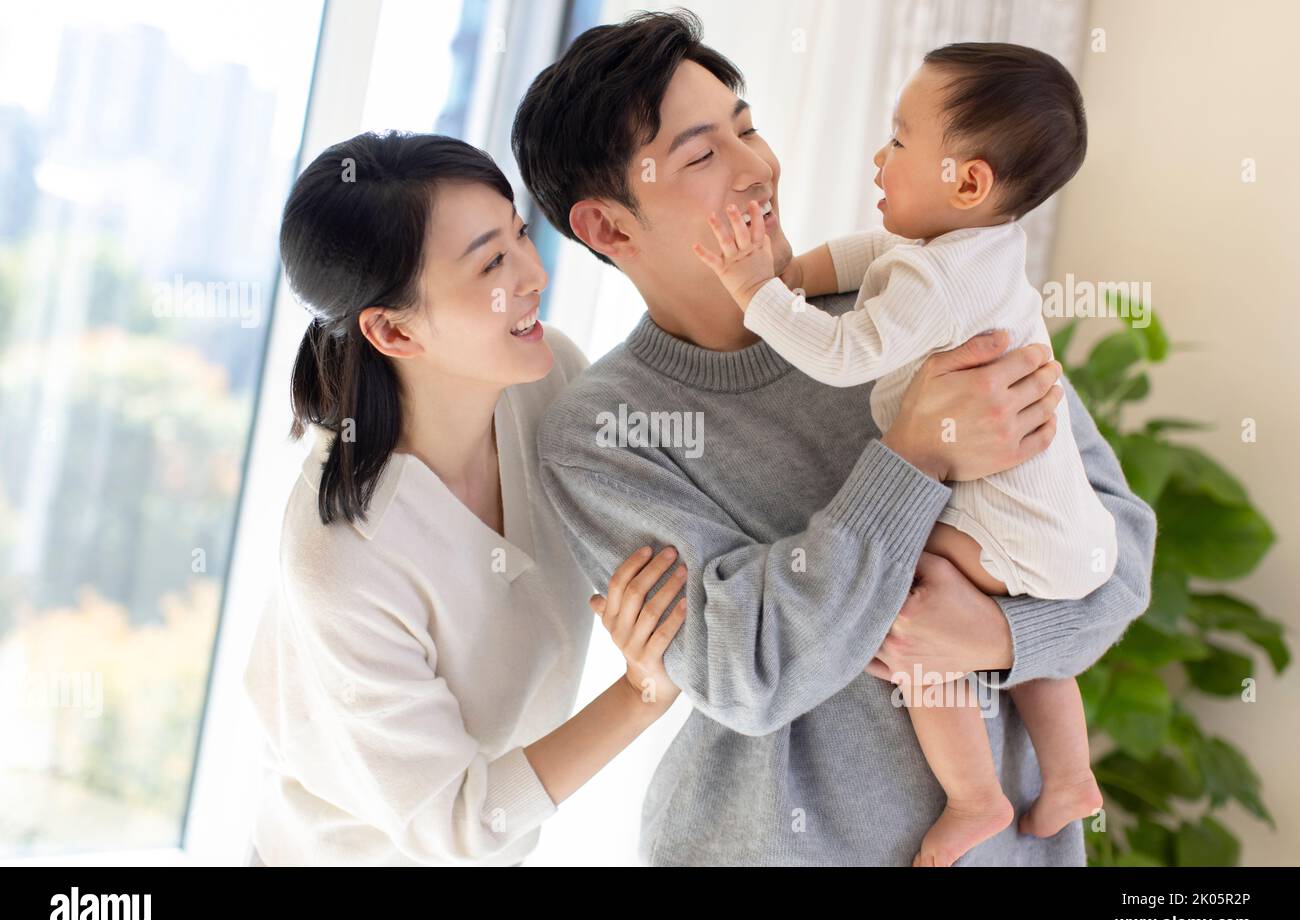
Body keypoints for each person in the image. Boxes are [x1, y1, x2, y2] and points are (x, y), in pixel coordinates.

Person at [511, 10, 1156, 865]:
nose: (758, 169)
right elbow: (748, 669)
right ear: (607, 227)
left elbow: (1117, 553)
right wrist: (913, 458)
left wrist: (998, 637)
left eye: (748, 128)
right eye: (704, 154)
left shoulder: (915, 304)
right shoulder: (605, 434)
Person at [243, 131, 686, 866]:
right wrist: (642, 691)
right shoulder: (343, 558)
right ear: (391, 328)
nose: (534, 274)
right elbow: (464, 825)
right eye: (491, 263)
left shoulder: (548, 382)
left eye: (519, 235)